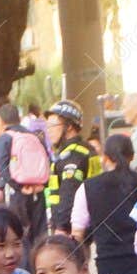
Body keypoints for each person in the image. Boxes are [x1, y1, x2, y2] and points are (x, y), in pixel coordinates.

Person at [71, 133, 137, 274]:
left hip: (109, 266)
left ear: (105, 157)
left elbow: (77, 234)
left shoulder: (88, 187)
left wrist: (80, 268)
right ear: (132, 156)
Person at [0, 103, 50, 247]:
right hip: (38, 192)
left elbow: (3, 168)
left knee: (18, 236)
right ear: (19, 118)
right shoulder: (35, 137)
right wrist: (41, 185)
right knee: (40, 235)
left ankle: (24, 268)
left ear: (1, 120)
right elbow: (47, 162)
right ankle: (39, 266)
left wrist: (18, 187)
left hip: (17, 195)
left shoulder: (3, 139)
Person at [44, 101, 96, 235]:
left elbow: (69, 195)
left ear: (69, 127)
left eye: (53, 126)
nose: (48, 131)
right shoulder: (80, 150)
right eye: (47, 126)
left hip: (70, 231)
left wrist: (61, 228)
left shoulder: (73, 155)